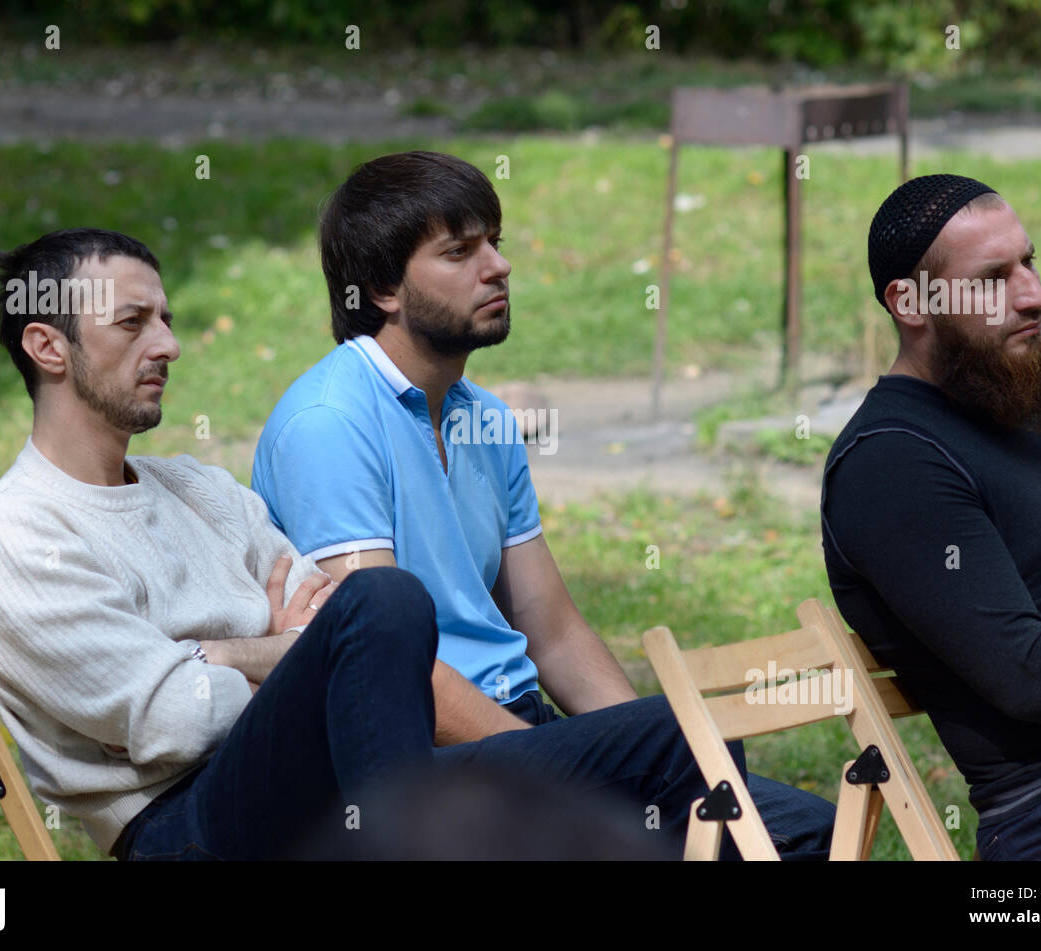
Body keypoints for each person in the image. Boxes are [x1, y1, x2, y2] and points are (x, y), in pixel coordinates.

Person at [0, 227, 741, 861]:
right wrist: (287, 646)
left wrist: (230, 652)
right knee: (386, 597)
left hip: (343, 785)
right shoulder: (26, 535)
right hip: (191, 827)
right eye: (133, 323)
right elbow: (175, 721)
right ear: (47, 346)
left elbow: (333, 635)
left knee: (695, 741)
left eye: (166, 319)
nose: (166, 344)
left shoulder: (195, 487)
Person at [252, 150, 836, 859]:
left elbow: (553, 631)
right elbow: (379, 673)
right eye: (459, 252)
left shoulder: (485, 417)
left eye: (495, 243)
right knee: (682, 775)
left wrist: (649, 759)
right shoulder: (329, 422)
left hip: (524, 727)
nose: (496, 267)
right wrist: (581, 784)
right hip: (422, 763)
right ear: (382, 288)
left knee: (806, 829)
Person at [821, 174, 1041, 860]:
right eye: (993, 278)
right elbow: (1024, 668)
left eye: (1028, 262)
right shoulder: (891, 462)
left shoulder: (1035, 414)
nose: (1033, 293)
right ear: (908, 302)